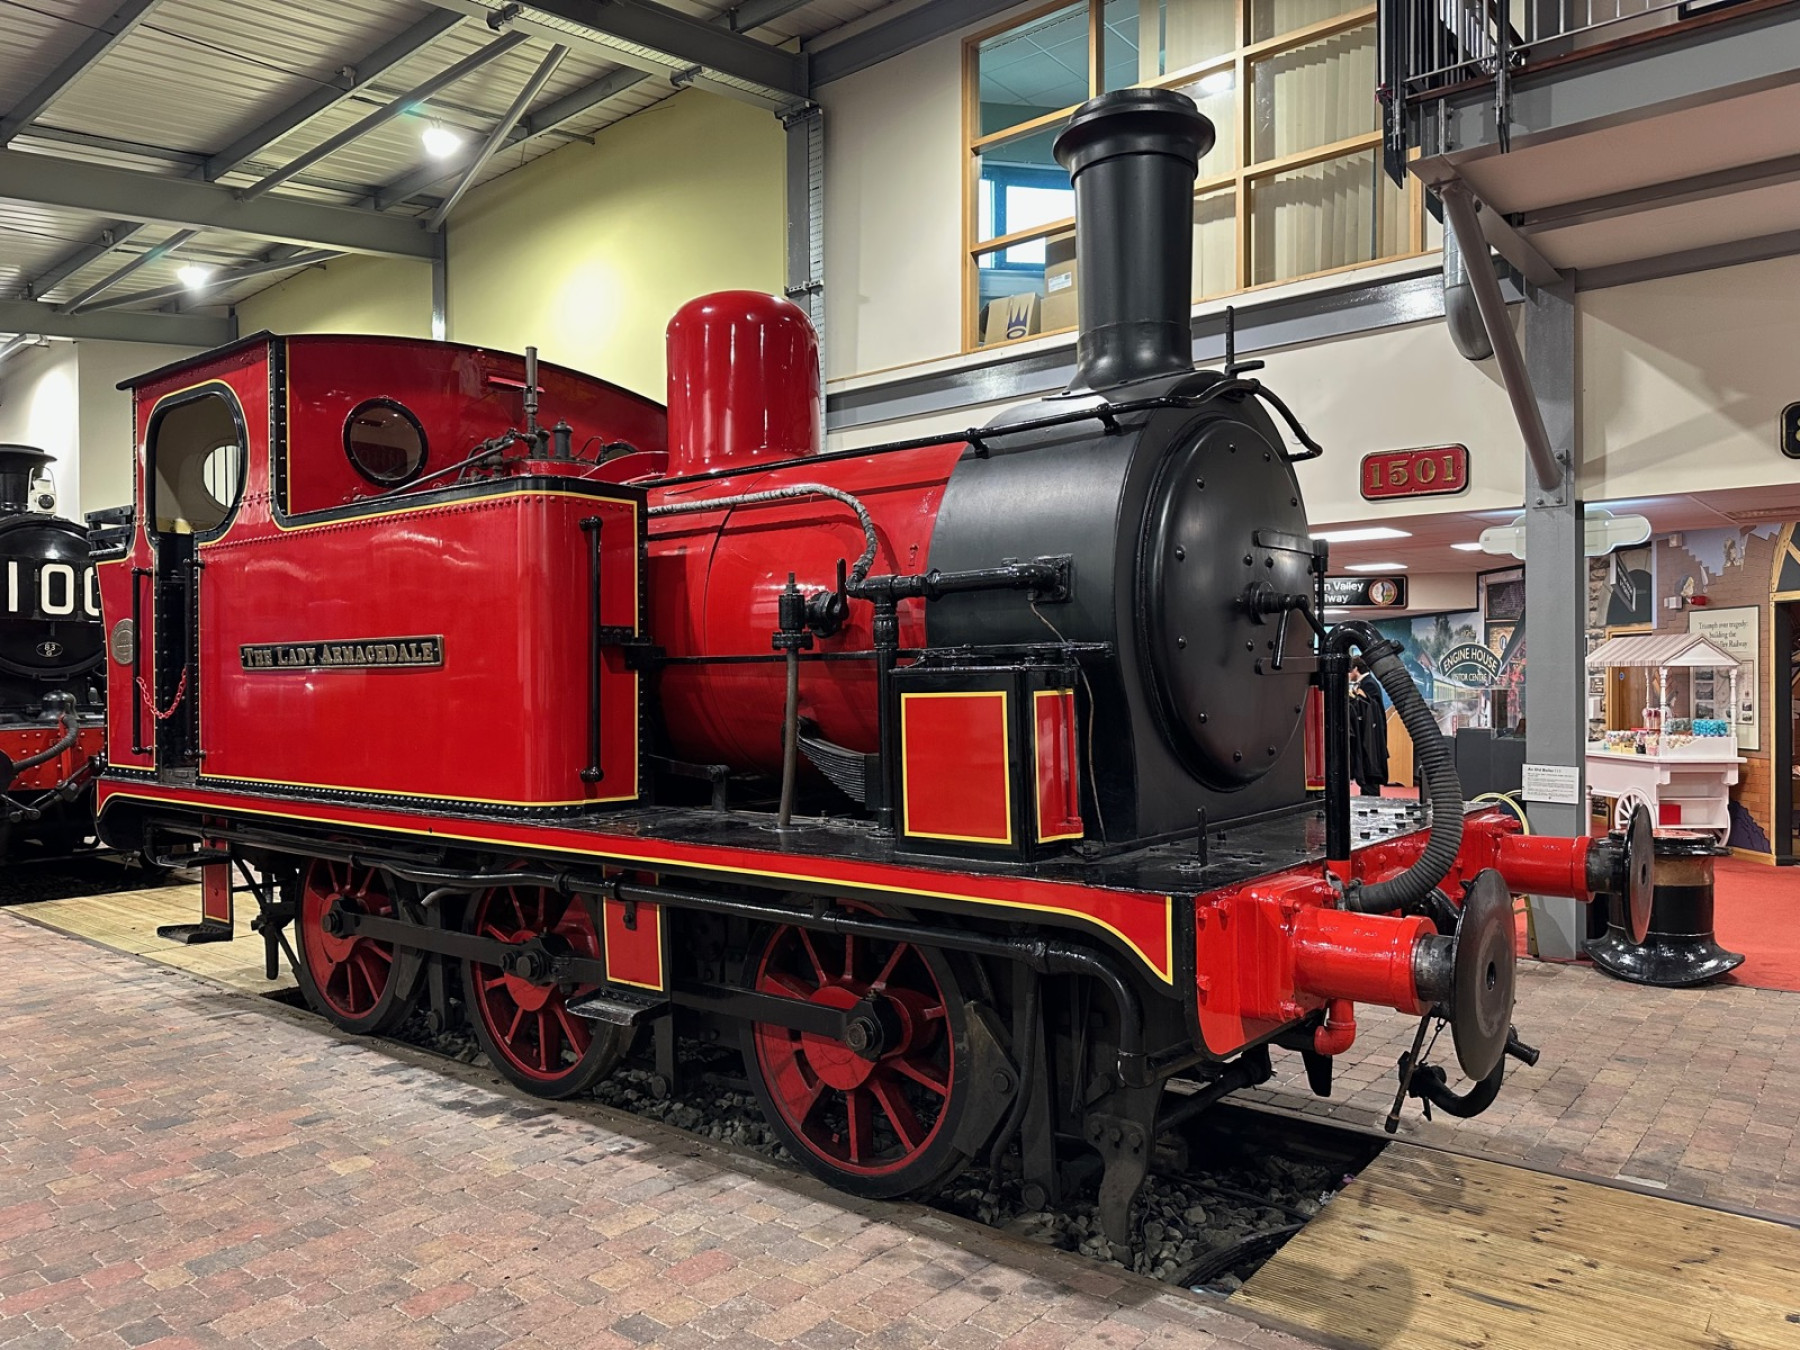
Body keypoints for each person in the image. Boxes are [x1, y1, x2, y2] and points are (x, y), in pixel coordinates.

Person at [1349, 657, 1388, 796]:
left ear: (1355, 669)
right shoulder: (1367, 683)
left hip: (1370, 738)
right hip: (1368, 736)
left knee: (1370, 772)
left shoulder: (1369, 685)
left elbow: (1370, 711)